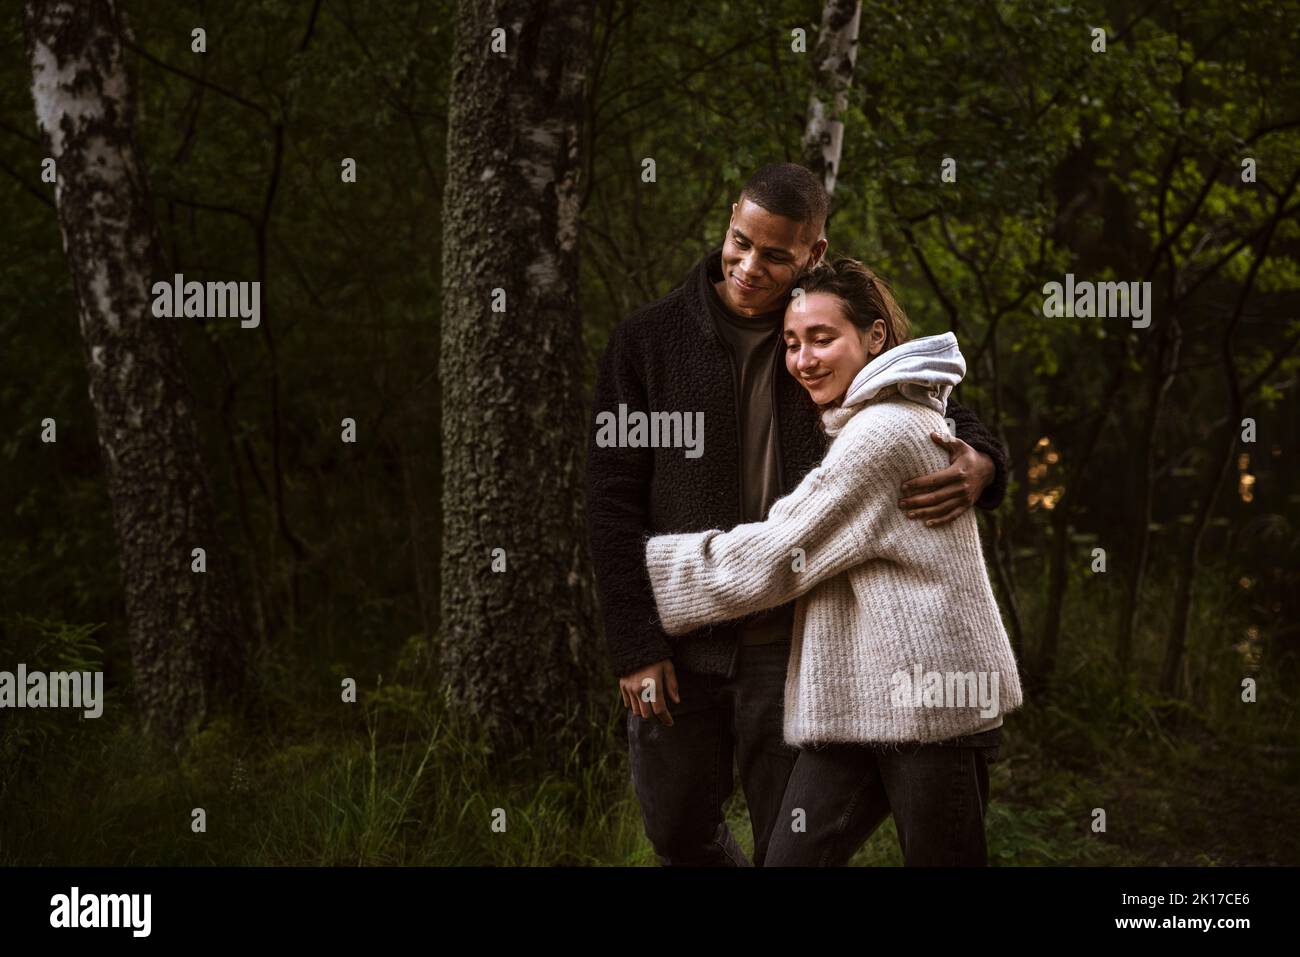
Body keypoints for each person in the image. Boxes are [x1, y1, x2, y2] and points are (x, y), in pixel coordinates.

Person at [585, 162, 1008, 867]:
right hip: (680, 643)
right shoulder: (648, 342)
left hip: (792, 646)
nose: (749, 265)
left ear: (812, 252)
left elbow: (931, 410)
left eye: (775, 254)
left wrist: (986, 461)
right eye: (740, 241)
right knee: (676, 831)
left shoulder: (825, 334)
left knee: (792, 844)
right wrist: (634, 642)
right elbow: (610, 497)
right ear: (728, 221)